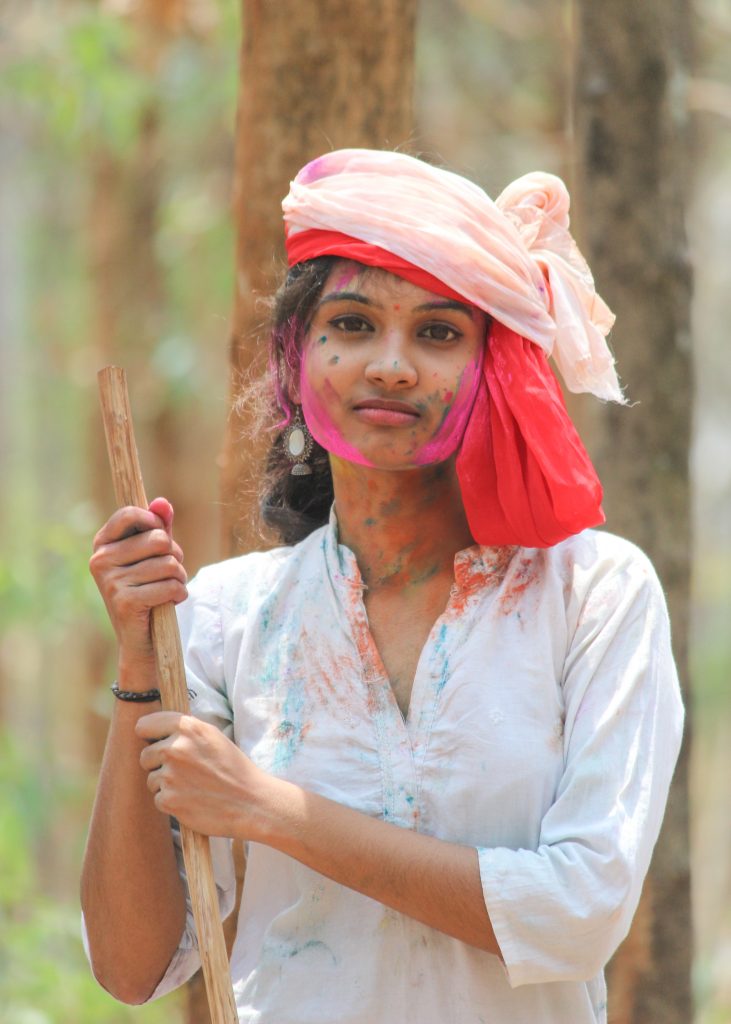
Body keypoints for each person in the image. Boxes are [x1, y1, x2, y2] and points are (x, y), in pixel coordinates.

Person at [82, 149, 684, 1024]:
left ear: (496, 369)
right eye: (354, 324)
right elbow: (133, 968)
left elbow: (574, 914)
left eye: (437, 333)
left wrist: (272, 810)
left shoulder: (593, 595)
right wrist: (140, 658)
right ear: (296, 355)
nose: (391, 365)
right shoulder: (225, 615)